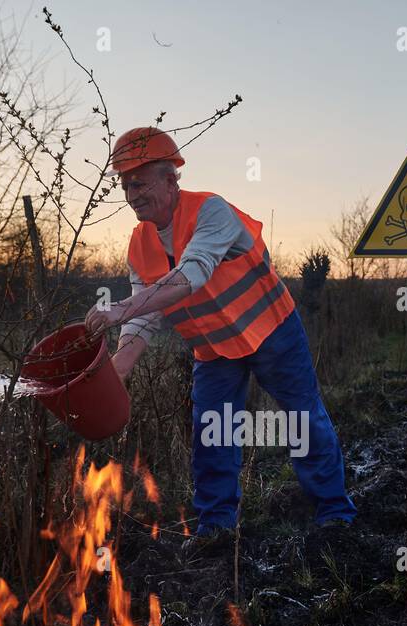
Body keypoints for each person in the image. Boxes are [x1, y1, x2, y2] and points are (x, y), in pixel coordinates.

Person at [84, 127, 356, 545]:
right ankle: (216, 529)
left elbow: (192, 274)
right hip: (213, 352)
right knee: (213, 431)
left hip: (272, 331)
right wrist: (119, 367)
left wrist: (118, 309)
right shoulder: (139, 245)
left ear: (171, 179)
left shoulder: (211, 212)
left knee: (302, 419)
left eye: (139, 182)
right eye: (125, 185)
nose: (131, 194)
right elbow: (145, 318)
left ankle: (334, 513)